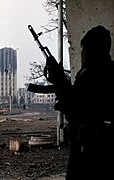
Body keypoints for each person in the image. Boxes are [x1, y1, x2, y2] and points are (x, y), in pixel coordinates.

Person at [45, 25, 114, 180]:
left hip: (92, 144)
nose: (83, 54)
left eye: (86, 49)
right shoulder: (107, 70)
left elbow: (76, 106)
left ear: (93, 51)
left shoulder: (91, 73)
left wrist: (60, 81)